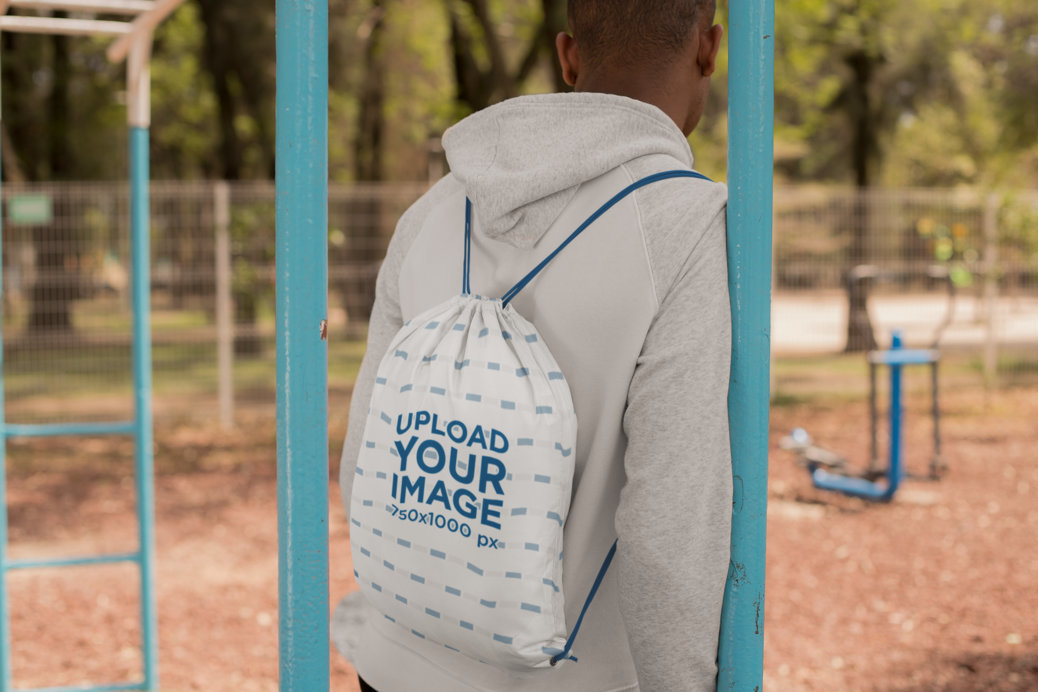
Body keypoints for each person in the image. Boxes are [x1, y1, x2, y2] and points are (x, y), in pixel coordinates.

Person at [338, 1, 731, 689]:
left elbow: (363, 461)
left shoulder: (430, 213)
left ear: (569, 57)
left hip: (395, 661)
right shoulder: (686, 226)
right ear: (709, 47)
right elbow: (669, 527)